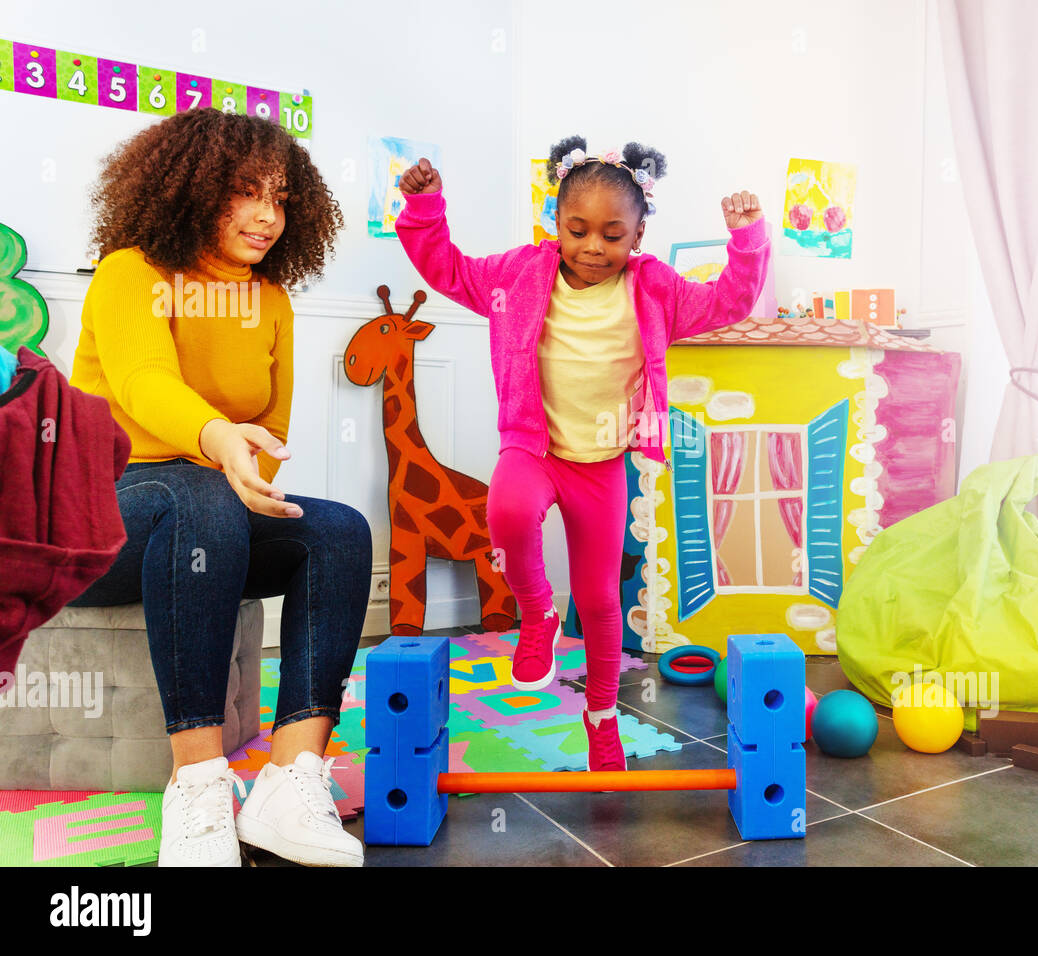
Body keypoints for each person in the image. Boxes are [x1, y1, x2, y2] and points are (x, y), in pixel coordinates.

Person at [396, 134, 770, 772]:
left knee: (599, 602)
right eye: (577, 229)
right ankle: (537, 609)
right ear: (555, 222)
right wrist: (427, 207)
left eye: (612, 234)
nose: (593, 247)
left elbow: (727, 303)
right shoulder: (520, 273)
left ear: (638, 237)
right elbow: (449, 270)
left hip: (602, 464)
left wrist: (748, 241)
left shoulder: (653, 289)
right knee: (508, 514)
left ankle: (601, 715)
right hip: (534, 446)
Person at [67, 109, 369, 867]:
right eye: (246, 192)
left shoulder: (269, 299)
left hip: (206, 511)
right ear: (191, 189)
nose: (269, 215)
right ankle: (198, 785)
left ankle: (291, 781)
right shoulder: (128, 271)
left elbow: (267, 429)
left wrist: (250, 477)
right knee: (195, 492)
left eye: (282, 196)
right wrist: (216, 441)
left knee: (337, 529)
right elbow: (142, 381)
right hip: (103, 515)